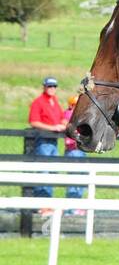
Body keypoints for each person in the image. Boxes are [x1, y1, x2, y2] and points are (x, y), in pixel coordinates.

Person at [27, 76, 63, 207]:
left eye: (54, 86)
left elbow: (60, 118)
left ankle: (47, 203)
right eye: (49, 86)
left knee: (52, 172)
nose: (52, 89)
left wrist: (64, 124)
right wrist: (53, 128)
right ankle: (42, 205)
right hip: (43, 141)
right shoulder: (38, 102)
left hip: (53, 141)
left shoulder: (54, 101)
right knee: (44, 172)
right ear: (44, 87)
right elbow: (34, 122)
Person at [62, 94, 86, 201]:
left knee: (80, 177)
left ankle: (76, 203)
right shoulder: (69, 114)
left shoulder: (76, 114)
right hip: (73, 149)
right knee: (75, 178)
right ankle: (72, 206)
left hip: (78, 149)